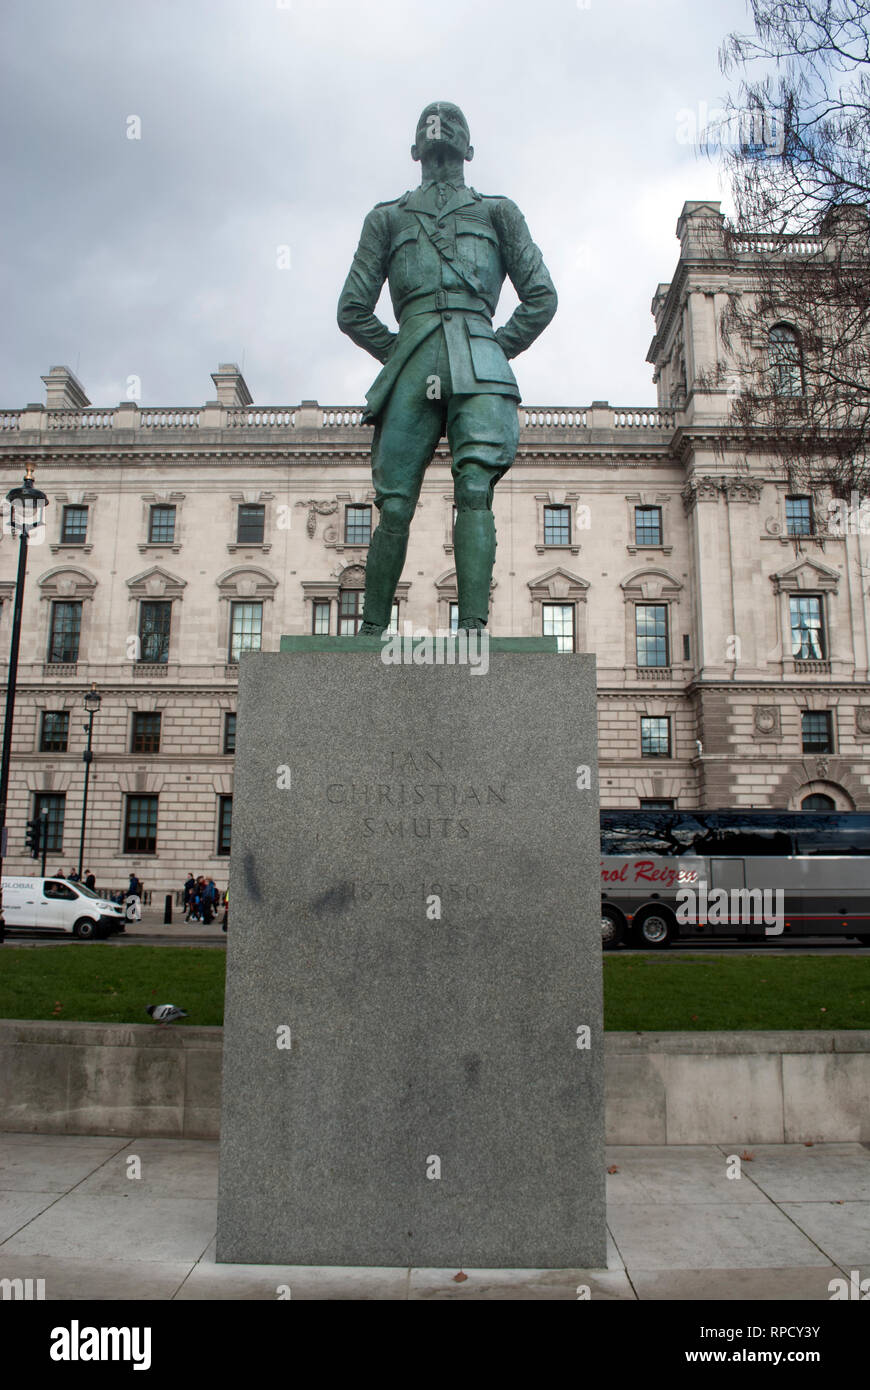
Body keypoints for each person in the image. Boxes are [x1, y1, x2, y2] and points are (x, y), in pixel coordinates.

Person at [337, 101, 557, 633]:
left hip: (477, 358)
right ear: (415, 149)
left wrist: (495, 345)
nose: (440, 138)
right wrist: (400, 351)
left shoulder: (498, 212)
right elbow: (351, 308)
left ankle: (474, 628)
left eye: (450, 129)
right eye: (430, 132)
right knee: (393, 503)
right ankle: (371, 630)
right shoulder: (386, 218)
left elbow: (541, 296)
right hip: (413, 357)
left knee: (475, 488)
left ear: (469, 149)